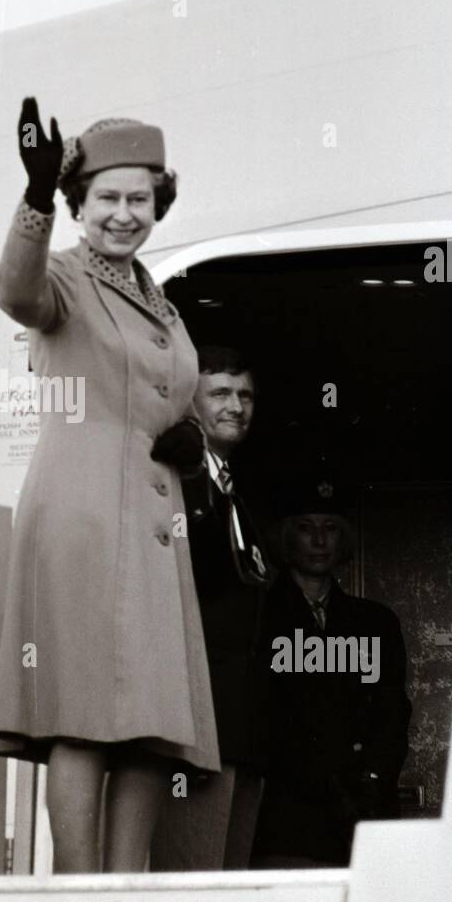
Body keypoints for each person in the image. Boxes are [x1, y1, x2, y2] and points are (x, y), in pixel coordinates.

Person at [0, 97, 219, 873]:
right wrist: (30, 200)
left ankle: (125, 896)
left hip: (153, 528)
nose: (124, 215)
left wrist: (190, 446)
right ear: (77, 206)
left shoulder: (159, 298)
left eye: (139, 200)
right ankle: (77, 900)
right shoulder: (62, 277)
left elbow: (157, 396)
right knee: (82, 717)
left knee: (153, 722)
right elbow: (16, 294)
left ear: (159, 205)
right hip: (82, 519)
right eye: (107, 199)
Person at [151, 346, 272, 871]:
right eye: (220, 393)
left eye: (245, 395)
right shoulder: (183, 476)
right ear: (190, 401)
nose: (236, 406)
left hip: (241, 729)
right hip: (196, 729)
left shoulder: (234, 491)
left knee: (229, 878)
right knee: (192, 882)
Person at [251, 476, 412, 868]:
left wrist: (373, 781)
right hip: (289, 819)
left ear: (344, 539)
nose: (320, 541)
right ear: (287, 536)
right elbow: (262, 718)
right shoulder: (257, 616)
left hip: (366, 816)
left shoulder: (376, 621)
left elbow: (393, 711)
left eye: (331, 529)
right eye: (307, 528)